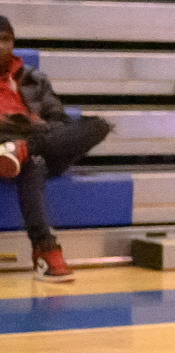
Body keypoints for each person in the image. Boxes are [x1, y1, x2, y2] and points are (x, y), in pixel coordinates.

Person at [0, 17, 112, 283]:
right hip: (5, 146)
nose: (0, 46)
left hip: (37, 141)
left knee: (98, 126)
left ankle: (22, 149)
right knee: (35, 163)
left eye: (4, 40)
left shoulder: (34, 78)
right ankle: (45, 248)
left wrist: (36, 127)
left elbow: (60, 121)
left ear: (13, 43)